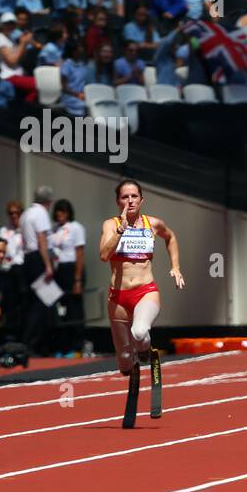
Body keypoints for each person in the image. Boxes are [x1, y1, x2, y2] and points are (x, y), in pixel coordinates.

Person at [99, 179, 184, 428]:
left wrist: (175, 267)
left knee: (140, 331)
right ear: (118, 202)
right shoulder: (111, 225)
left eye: (134, 196)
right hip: (118, 297)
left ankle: (146, 350)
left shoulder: (153, 224)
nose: (130, 201)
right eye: (125, 197)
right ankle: (133, 361)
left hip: (146, 291)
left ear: (141, 200)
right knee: (124, 361)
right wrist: (120, 232)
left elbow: (171, 237)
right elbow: (104, 255)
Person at [20, 186, 56, 355]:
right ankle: (35, 343)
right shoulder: (41, 213)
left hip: (28, 258)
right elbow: (42, 240)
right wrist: (48, 265)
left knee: (35, 301)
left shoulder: (27, 214)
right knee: (44, 301)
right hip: (38, 259)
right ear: (49, 201)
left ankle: (34, 341)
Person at [49, 199, 87, 356]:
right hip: (58, 271)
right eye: (58, 213)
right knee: (61, 310)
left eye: (63, 213)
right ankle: (62, 345)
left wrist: (77, 279)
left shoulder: (76, 228)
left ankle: (77, 345)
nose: (60, 216)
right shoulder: (54, 229)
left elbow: (79, 253)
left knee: (74, 308)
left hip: (72, 269)